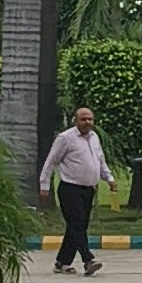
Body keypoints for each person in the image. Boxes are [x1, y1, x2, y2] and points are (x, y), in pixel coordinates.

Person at [39, 104, 109, 274]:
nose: (87, 122)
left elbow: (100, 160)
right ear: (75, 121)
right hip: (70, 188)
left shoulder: (94, 137)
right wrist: (44, 184)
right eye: (83, 119)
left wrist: (109, 178)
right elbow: (51, 161)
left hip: (88, 189)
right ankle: (88, 260)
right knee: (77, 224)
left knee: (78, 226)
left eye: (90, 119)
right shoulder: (65, 138)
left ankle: (62, 262)